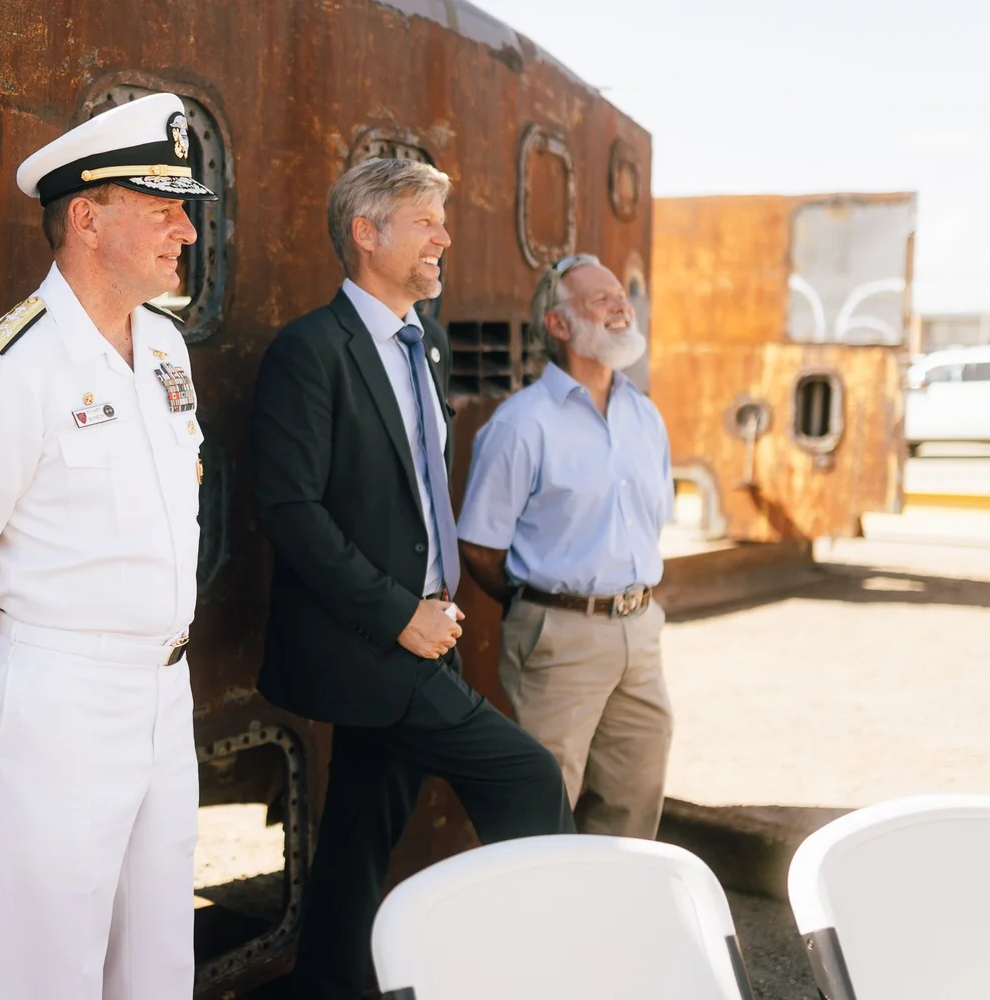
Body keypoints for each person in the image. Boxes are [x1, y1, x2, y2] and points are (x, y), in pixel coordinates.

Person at [0, 92, 216, 1000]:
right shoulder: (15, 369)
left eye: (184, 209)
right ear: (86, 218)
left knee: (158, 961)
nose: (184, 231)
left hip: (165, 691)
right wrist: (18, 677)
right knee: (51, 971)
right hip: (61, 701)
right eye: (162, 208)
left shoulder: (164, 348)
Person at [249, 158, 572, 999]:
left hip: (425, 629)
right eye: (426, 221)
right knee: (527, 778)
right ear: (368, 233)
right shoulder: (309, 351)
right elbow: (289, 511)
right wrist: (402, 616)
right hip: (379, 642)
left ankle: (327, 986)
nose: (445, 237)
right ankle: (552, 971)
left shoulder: (422, 340)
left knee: (360, 833)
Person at [457, 253, 675, 839]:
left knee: (633, 803)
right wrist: (541, 607)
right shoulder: (520, 424)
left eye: (619, 295)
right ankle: (536, 929)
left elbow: (652, 527)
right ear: (558, 325)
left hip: (641, 630)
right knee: (543, 812)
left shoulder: (645, 416)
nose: (620, 305)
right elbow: (479, 547)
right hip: (559, 637)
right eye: (600, 299)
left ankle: (607, 928)